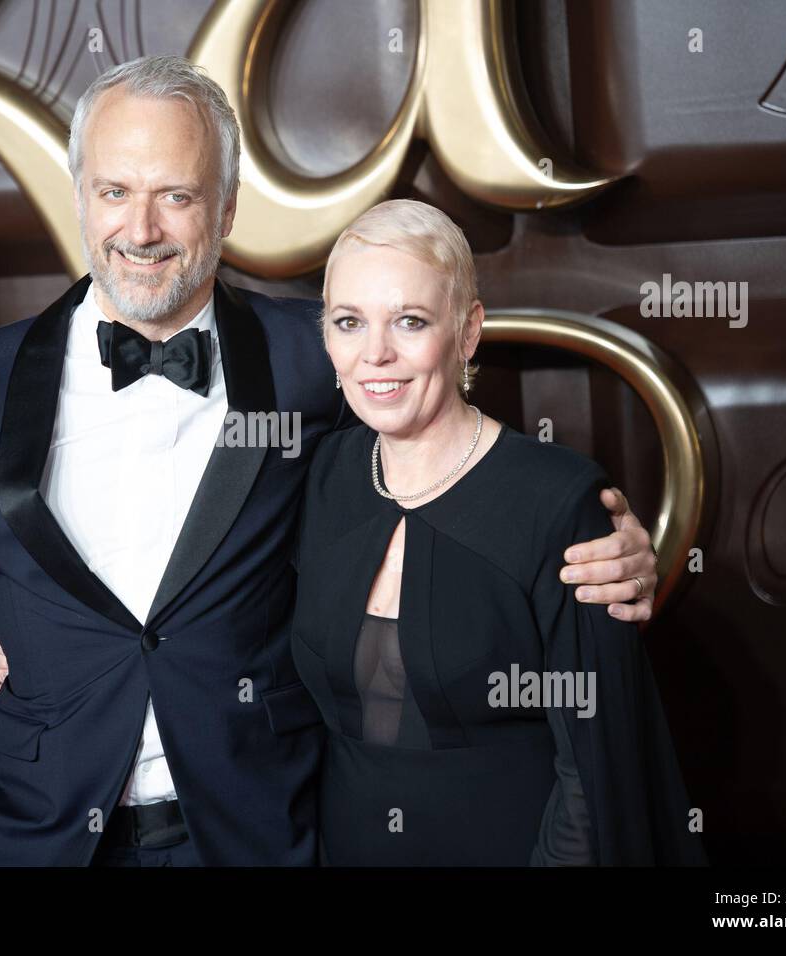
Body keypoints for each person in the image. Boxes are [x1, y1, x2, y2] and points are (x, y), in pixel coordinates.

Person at [0, 55, 658, 867]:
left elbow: (444, 460)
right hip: (32, 839)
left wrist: (603, 547)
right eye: (115, 191)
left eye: (176, 195)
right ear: (79, 195)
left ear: (225, 208)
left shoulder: (317, 353)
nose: (141, 228)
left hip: (259, 834)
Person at [289, 198, 705, 864]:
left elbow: (592, 777)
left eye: (410, 321)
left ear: (468, 330)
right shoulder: (320, 478)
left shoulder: (559, 502)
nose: (376, 354)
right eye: (348, 322)